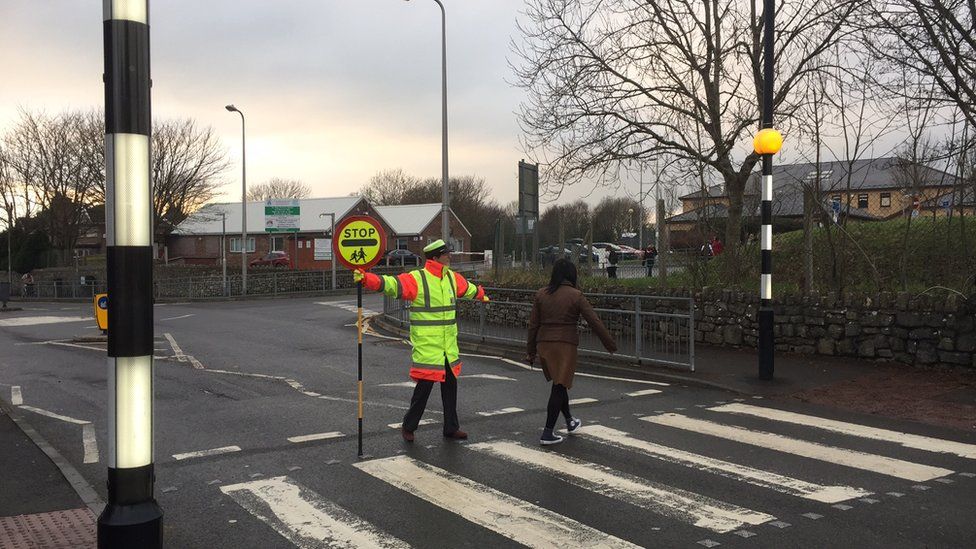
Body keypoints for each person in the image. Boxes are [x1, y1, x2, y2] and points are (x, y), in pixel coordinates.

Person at [355, 239, 489, 442]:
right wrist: (367, 279)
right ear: (436, 257)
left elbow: (467, 289)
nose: (450, 257)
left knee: (450, 389)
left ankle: (451, 428)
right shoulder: (418, 278)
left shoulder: (451, 278)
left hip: (448, 348)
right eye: (446, 254)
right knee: (423, 391)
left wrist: (480, 294)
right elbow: (392, 285)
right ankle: (409, 426)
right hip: (428, 348)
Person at [526, 259, 617, 445]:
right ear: (571, 275)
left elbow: (533, 325)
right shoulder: (576, 295)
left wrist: (530, 352)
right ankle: (547, 433)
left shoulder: (541, 294)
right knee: (559, 386)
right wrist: (609, 344)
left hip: (544, 344)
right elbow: (594, 321)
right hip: (565, 345)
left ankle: (570, 421)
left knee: (560, 383)